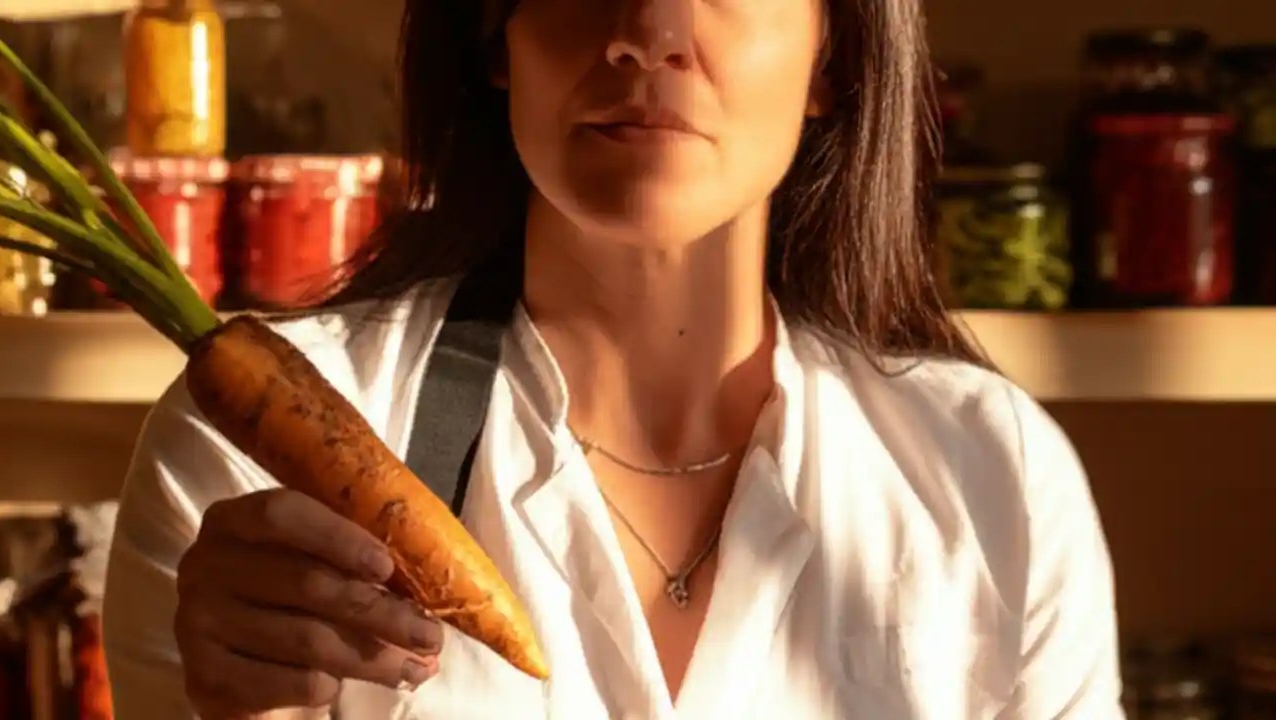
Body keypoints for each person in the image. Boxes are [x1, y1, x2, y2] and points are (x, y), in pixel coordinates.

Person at [101, 0, 1124, 717]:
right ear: (495, 31)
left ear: (832, 57)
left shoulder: (993, 475)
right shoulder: (255, 451)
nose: (650, 33)